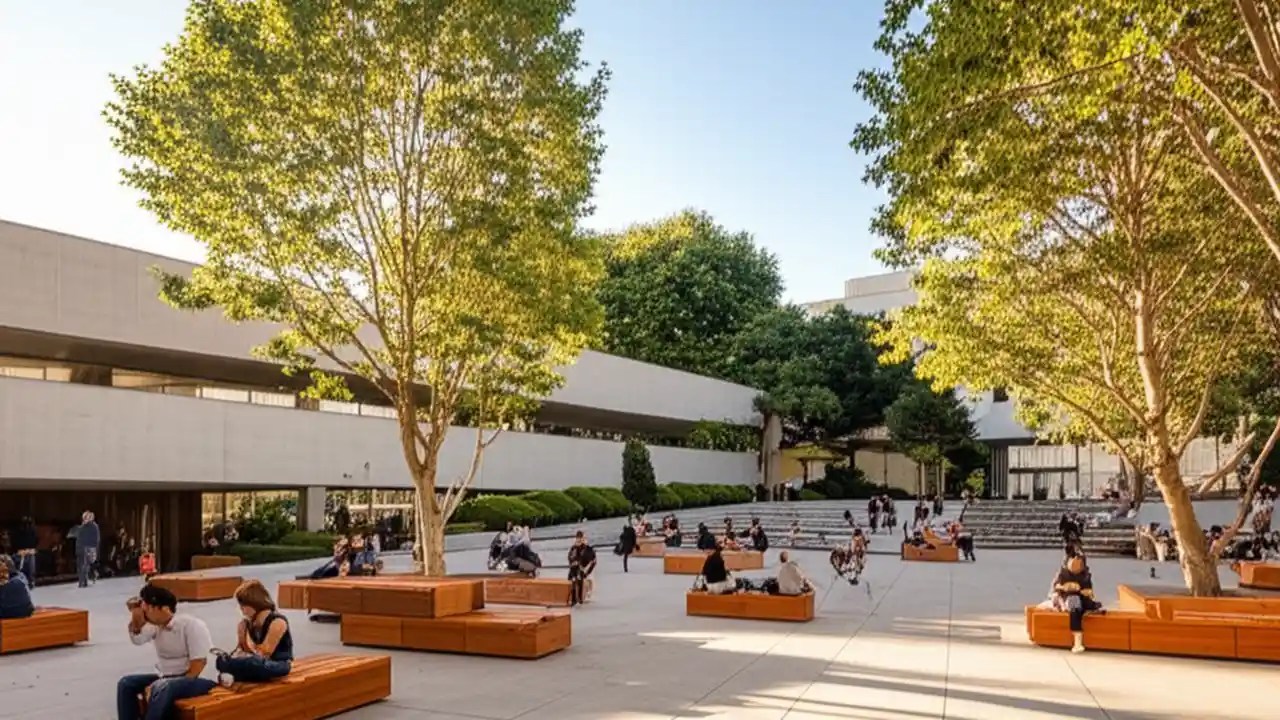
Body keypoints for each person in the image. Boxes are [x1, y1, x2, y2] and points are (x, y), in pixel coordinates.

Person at [117, 583, 216, 720]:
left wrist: (162, 685)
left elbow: (198, 666)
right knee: (126, 683)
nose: (145, 615)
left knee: (164, 687)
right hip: (166, 678)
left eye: (147, 610)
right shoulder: (156, 626)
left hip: (195, 679)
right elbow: (137, 639)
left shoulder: (191, 625)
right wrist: (136, 615)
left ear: (163, 609)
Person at [213, 579, 293, 686]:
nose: (241, 609)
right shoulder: (247, 623)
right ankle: (238, 675)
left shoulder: (277, 621)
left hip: (276, 663)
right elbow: (242, 651)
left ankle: (234, 675)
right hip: (255, 661)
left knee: (253, 664)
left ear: (254, 603)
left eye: (243, 605)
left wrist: (245, 653)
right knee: (221, 660)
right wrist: (242, 640)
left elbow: (264, 653)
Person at [1053, 555, 1103, 654]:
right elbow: (1057, 586)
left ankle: (1090, 608)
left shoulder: (1085, 576)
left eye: (1079, 563)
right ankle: (1077, 640)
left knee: (1087, 604)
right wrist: (1065, 587)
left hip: (1082, 597)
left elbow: (1090, 591)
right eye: (1073, 562)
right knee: (1075, 606)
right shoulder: (1063, 574)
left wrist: (1084, 591)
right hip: (1068, 597)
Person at [567, 531, 597, 606]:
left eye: (582, 539)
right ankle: (575, 599)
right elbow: (571, 557)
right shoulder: (574, 548)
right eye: (579, 539)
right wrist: (573, 563)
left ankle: (582, 597)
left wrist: (586, 569)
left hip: (584, 567)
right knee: (574, 580)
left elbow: (592, 560)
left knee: (584, 579)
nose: (580, 540)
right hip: (576, 568)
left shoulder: (587, 548)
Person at [73, 510, 100, 588]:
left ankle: (84, 581)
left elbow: (96, 539)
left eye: (87, 517)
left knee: (86, 565)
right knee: (82, 565)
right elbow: (79, 538)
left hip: (89, 548)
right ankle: (82, 581)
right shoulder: (82, 527)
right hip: (81, 548)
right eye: (84, 517)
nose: (85, 519)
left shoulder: (93, 526)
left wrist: (95, 549)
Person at [11, 515, 38, 588]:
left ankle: (27, 581)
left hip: (24, 550)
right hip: (27, 551)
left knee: (24, 568)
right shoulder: (31, 530)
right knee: (27, 568)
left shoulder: (21, 531)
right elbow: (35, 540)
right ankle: (29, 582)